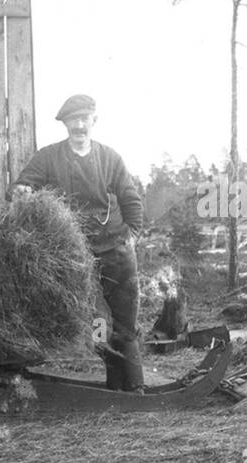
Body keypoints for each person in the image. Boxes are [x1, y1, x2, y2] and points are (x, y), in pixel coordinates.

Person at [10, 94, 146, 392]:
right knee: (98, 322)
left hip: (118, 252)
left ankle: (135, 390)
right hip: (77, 256)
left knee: (126, 323)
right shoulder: (49, 157)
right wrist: (22, 190)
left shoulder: (110, 157)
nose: (79, 125)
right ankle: (115, 388)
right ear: (66, 125)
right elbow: (24, 183)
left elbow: (130, 198)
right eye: (74, 121)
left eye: (85, 119)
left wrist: (132, 235)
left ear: (93, 122)